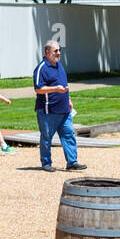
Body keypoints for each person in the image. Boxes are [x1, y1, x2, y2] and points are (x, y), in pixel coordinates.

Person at [33, 40, 86, 173]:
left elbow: (64, 84)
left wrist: (68, 99)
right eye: (55, 51)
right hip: (48, 110)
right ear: (47, 52)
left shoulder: (59, 66)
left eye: (59, 50)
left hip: (64, 109)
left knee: (69, 135)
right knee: (46, 137)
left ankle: (72, 162)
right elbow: (38, 89)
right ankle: (46, 163)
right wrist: (56, 89)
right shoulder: (41, 68)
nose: (58, 53)